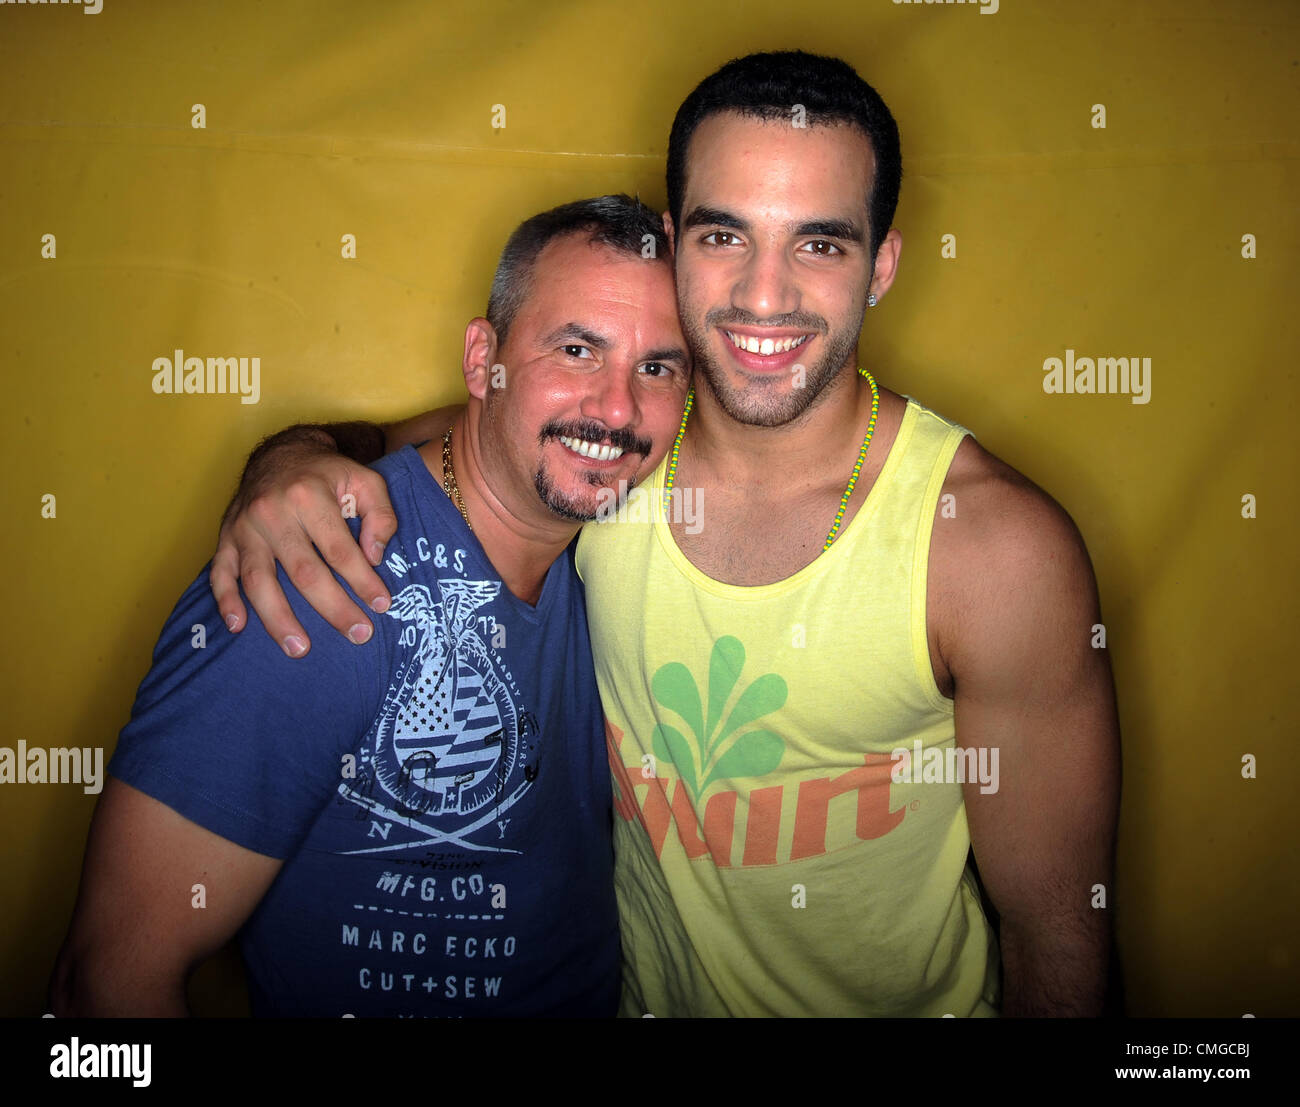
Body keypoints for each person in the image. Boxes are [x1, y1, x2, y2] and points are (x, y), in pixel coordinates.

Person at [209, 52, 1122, 1017]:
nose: (764, 297)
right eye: (727, 235)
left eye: (819, 245)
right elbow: (402, 445)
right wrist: (288, 461)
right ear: (673, 240)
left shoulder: (993, 552)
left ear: (882, 264)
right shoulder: (610, 446)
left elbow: (1060, 942)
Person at [49, 194, 691, 1017]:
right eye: (576, 349)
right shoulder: (318, 576)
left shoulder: (611, 535)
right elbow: (102, 983)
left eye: (658, 367)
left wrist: (301, 445)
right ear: (480, 359)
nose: (616, 408)